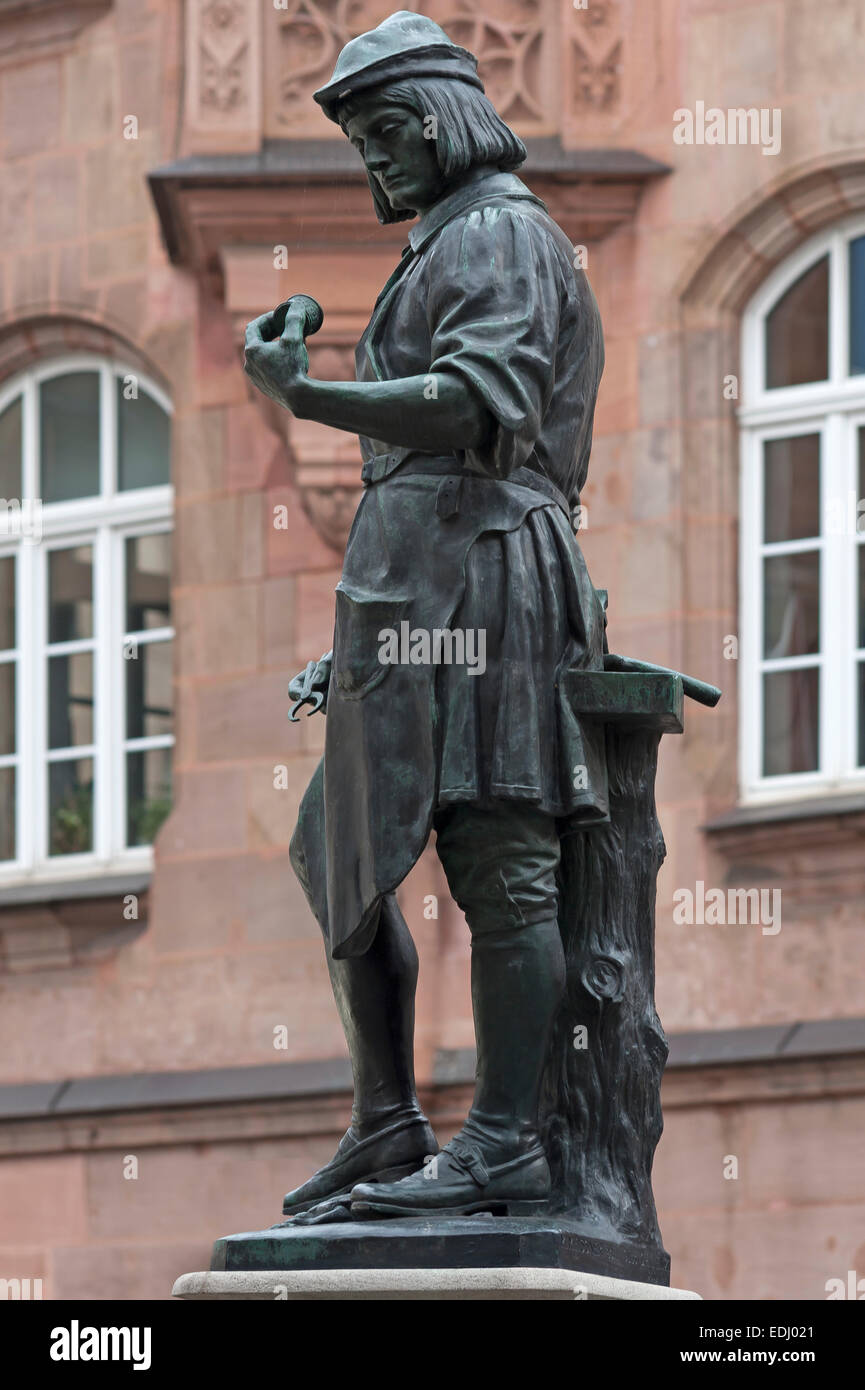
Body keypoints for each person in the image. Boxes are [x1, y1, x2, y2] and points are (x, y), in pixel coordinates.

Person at [242, 10, 609, 1222]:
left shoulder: (501, 231)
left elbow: (475, 403)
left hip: (494, 574)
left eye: (389, 131)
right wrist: (351, 649)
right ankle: (388, 1117)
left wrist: (314, 396)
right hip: (416, 590)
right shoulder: (449, 239)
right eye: (361, 145)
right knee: (335, 852)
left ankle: (503, 1138)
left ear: (448, 116)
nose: (376, 164)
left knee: (500, 857)